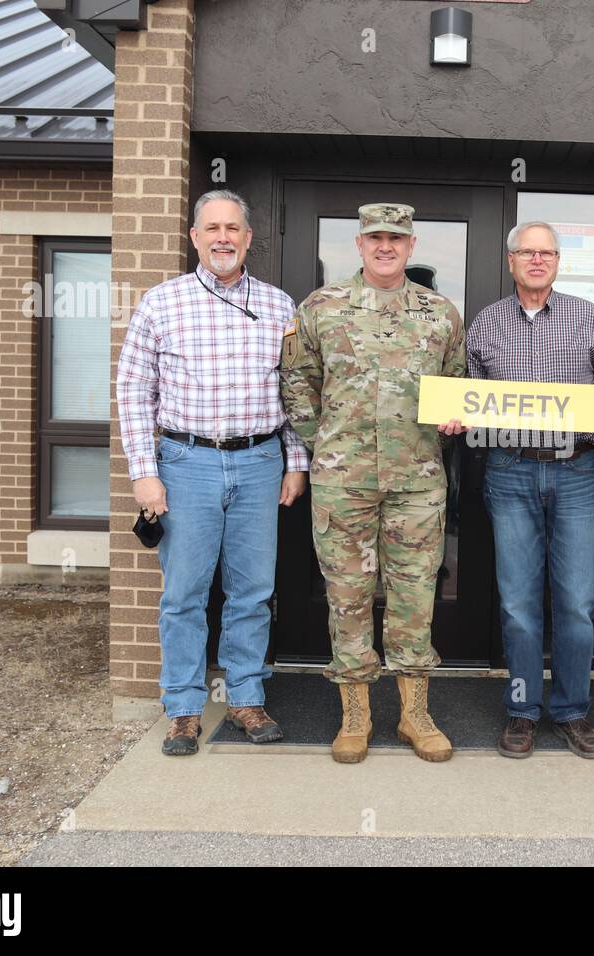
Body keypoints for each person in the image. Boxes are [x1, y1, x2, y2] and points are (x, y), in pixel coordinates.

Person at [117, 189, 307, 756]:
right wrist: (143, 473)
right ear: (194, 237)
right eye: (212, 228)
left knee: (252, 591)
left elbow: (294, 390)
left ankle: (246, 698)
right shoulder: (160, 303)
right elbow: (133, 391)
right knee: (184, 593)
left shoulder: (279, 306)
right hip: (186, 462)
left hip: (258, 461)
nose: (223, 237)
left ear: (248, 239)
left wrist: (295, 461)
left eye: (233, 228)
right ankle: (183, 707)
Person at [279, 203, 465, 764]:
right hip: (344, 483)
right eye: (375, 237)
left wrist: (447, 427)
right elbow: (296, 382)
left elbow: (455, 385)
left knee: (415, 596)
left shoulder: (440, 313)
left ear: (411, 247)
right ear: (359, 245)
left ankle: (414, 714)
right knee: (348, 595)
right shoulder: (321, 307)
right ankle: (355, 715)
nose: (386, 246)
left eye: (397, 238)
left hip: (418, 481)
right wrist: (329, 446)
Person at [463, 221, 594, 759]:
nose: (537, 260)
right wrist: (455, 415)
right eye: (527, 252)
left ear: (559, 262)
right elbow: (468, 397)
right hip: (510, 470)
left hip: (578, 473)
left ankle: (571, 710)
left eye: (548, 253)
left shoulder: (587, 317)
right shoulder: (487, 322)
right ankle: (521, 709)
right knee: (518, 603)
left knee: (576, 602)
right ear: (510, 259)